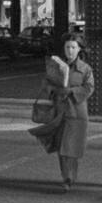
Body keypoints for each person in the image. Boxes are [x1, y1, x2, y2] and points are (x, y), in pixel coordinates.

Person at [29, 31, 93, 192]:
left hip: (77, 112)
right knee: (62, 148)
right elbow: (46, 84)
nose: (70, 50)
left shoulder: (85, 69)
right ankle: (67, 177)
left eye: (73, 47)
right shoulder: (56, 66)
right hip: (59, 111)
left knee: (71, 148)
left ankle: (69, 178)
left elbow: (89, 88)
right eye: (67, 47)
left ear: (79, 49)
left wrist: (71, 91)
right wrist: (55, 90)